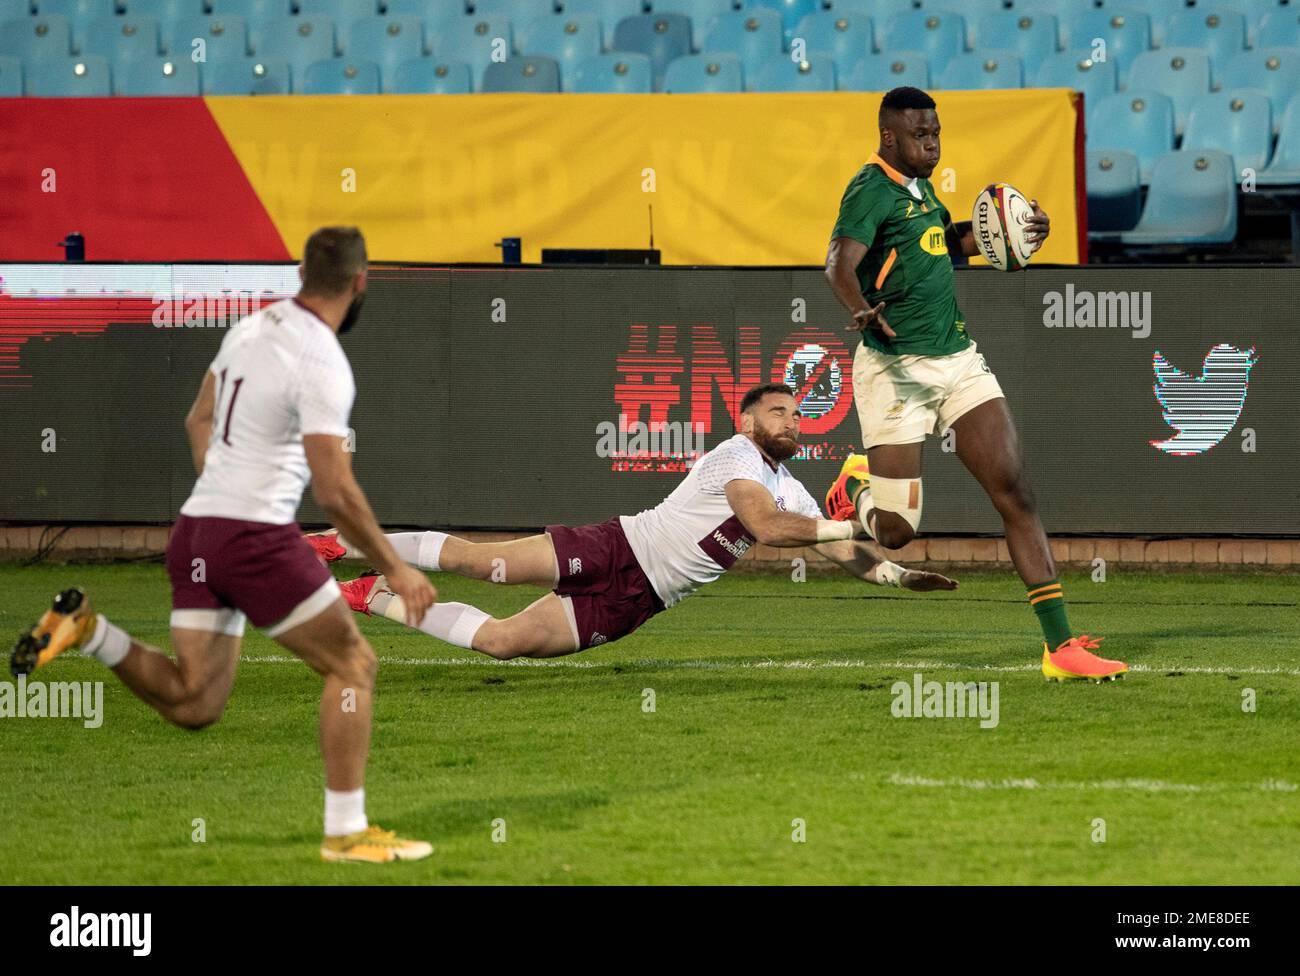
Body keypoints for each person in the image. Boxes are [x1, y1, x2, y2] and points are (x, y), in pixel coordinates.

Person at [10, 226, 439, 862]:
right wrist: (396, 568)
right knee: (353, 665)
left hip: (198, 529)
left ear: (301, 274)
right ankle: (346, 832)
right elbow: (336, 493)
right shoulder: (322, 359)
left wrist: (222, 487)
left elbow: (198, 419)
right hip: (254, 537)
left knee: (194, 702)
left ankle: (90, 630)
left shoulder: (250, 329)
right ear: (360, 281)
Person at [823, 86, 1126, 682]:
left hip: (958, 360)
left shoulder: (919, 190)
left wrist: (1013, 230)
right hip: (895, 371)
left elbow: (949, 243)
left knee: (1015, 490)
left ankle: (1060, 648)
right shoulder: (870, 188)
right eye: (920, 134)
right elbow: (838, 260)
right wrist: (858, 307)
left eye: (936, 132)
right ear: (890, 137)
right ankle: (853, 491)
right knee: (897, 534)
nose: (932, 143)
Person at [308, 383, 957, 659]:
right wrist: (855, 527)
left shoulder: (796, 493)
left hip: (635, 604)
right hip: (617, 545)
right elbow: (762, 526)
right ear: (749, 422)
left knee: (501, 643)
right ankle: (339, 543)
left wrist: (898, 576)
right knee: (483, 562)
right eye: (777, 412)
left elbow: (849, 558)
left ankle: (371, 597)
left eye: (795, 414)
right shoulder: (738, 456)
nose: (790, 420)